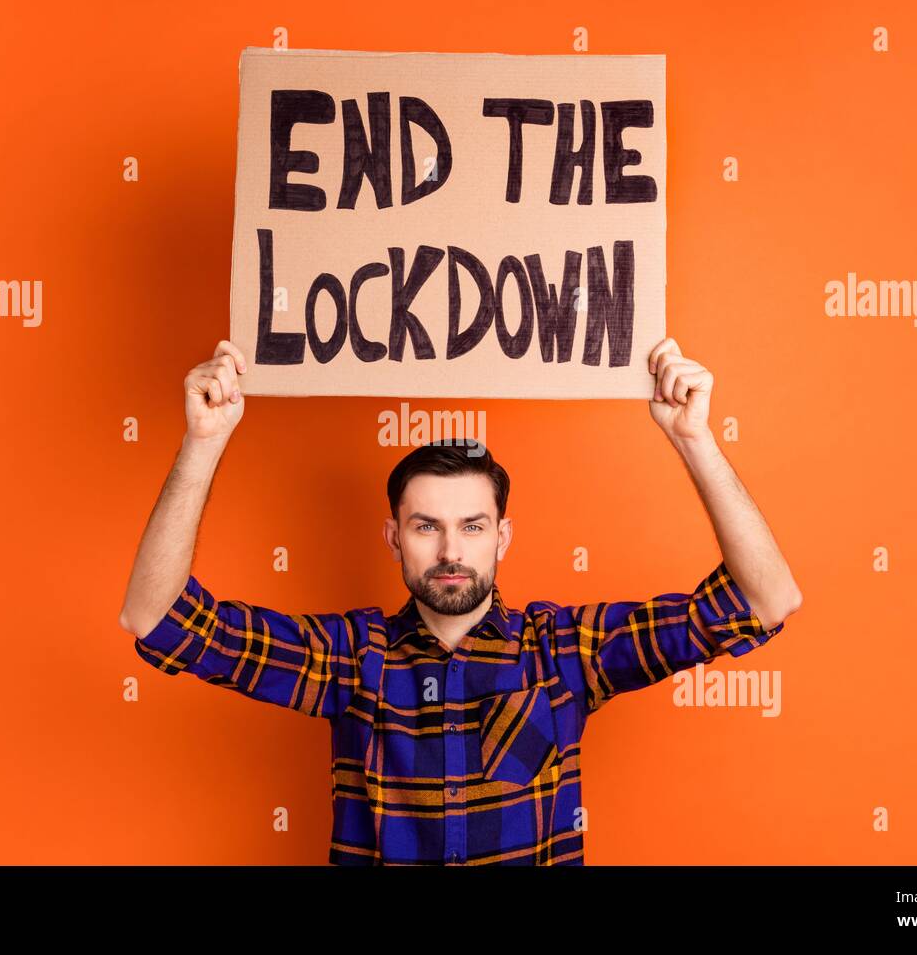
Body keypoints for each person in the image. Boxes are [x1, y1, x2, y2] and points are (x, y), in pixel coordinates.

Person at [118, 337, 802, 865]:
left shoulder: (563, 651)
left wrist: (695, 438)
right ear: (394, 536)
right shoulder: (352, 659)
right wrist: (202, 445)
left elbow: (765, 598)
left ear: (502, 535)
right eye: (427, 526)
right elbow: (158, 619)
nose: (451, 549)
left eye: (472, 526)